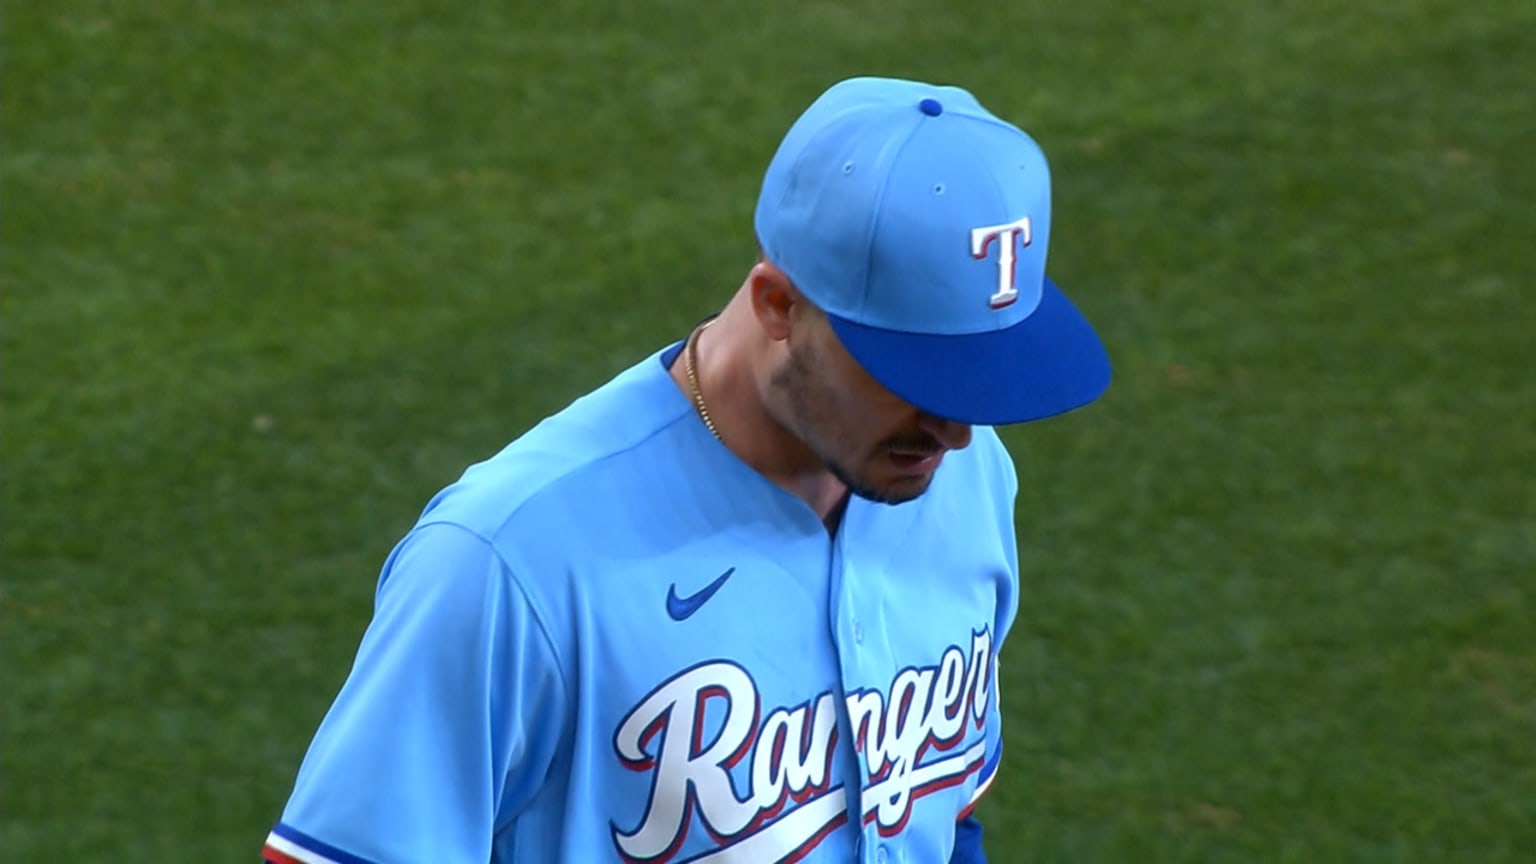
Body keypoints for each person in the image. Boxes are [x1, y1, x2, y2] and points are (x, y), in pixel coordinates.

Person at [263, 75, 1111, 864]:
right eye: (910, 375)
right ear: (778, 304)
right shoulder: (509, 563)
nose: (956, 430)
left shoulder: (962, 477)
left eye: (976, 376)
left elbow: (940, 810)